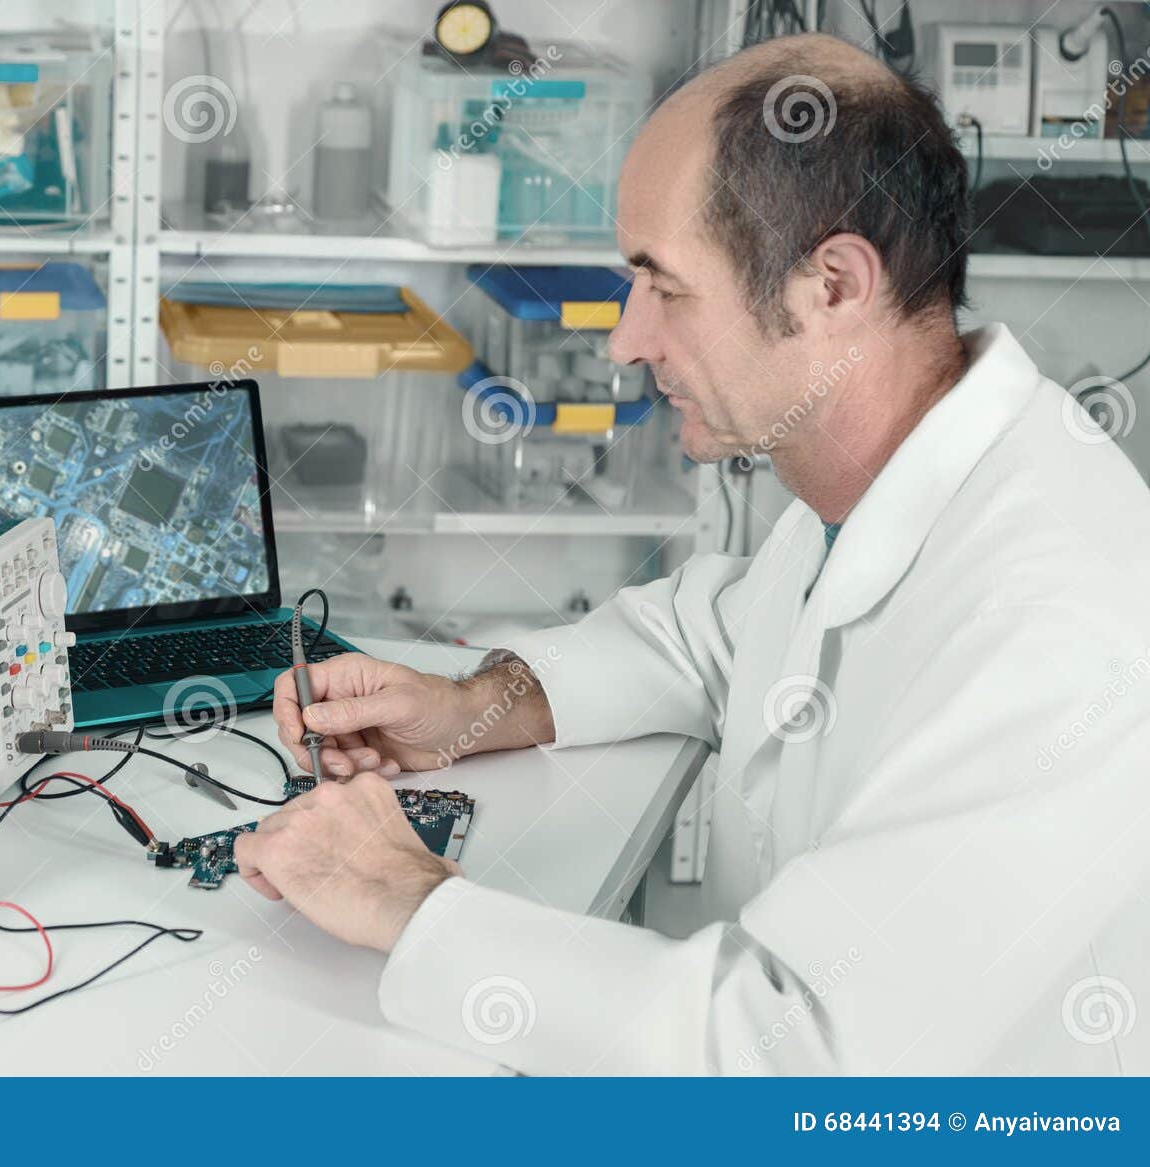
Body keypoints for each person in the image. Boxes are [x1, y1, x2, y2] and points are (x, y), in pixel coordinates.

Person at [232, 32, 1150, 1074]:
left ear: (833, 286)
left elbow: (786, 1059)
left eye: (661, 286)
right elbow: (716, 639)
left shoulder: (1057, 629)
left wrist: (406, 899)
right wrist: (463, 710)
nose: (625, 339)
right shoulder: (881, 479)